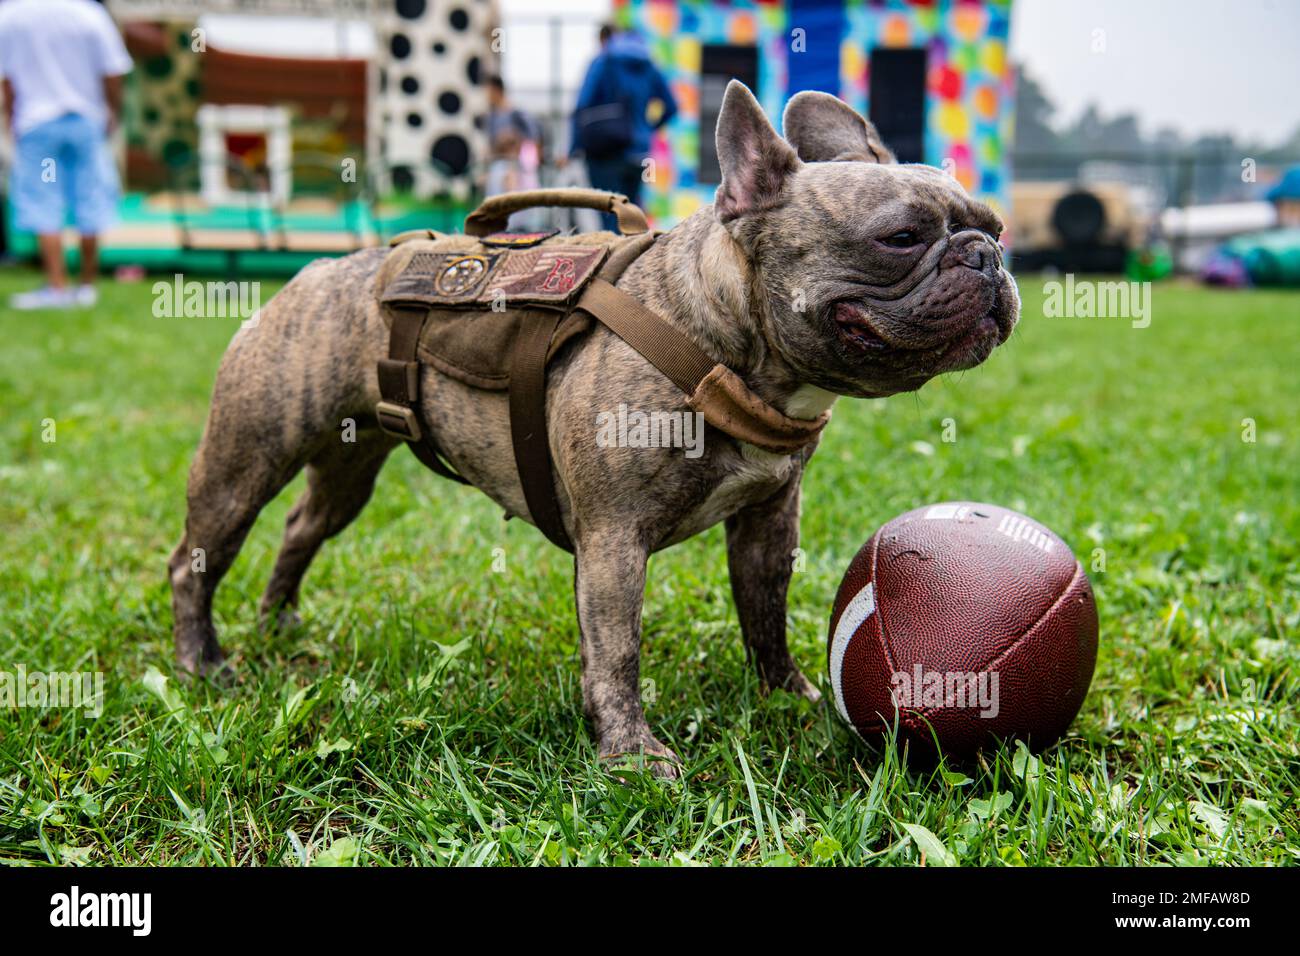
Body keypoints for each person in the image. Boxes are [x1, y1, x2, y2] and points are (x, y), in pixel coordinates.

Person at [0, 0, 133, 310]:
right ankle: (86, 287)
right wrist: (112, 112)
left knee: (44, 199)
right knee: (89, 199)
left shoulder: (11, 15)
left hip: (38, 126)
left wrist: (10, 119)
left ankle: (57, 287)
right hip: (86, 123)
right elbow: (113, 71)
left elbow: (6, 80)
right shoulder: (89, 14)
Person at [570, 26, 677, 230]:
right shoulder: (650, 66)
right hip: (640, 155)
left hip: (605, 153)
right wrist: (648, 128)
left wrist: (574, 147)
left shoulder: (604, 61)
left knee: (610, 217)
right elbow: (672, 106)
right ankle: (636, 260)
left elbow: (582, 107)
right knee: (633, 216)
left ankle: (614, 260)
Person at [482, 75, 546, 231]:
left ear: (496, 90)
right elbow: (491, 145)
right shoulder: (491, 116)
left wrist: (526, 161)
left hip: (515, 166)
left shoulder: (516, 113)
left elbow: (533, 137)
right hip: (498, 165)